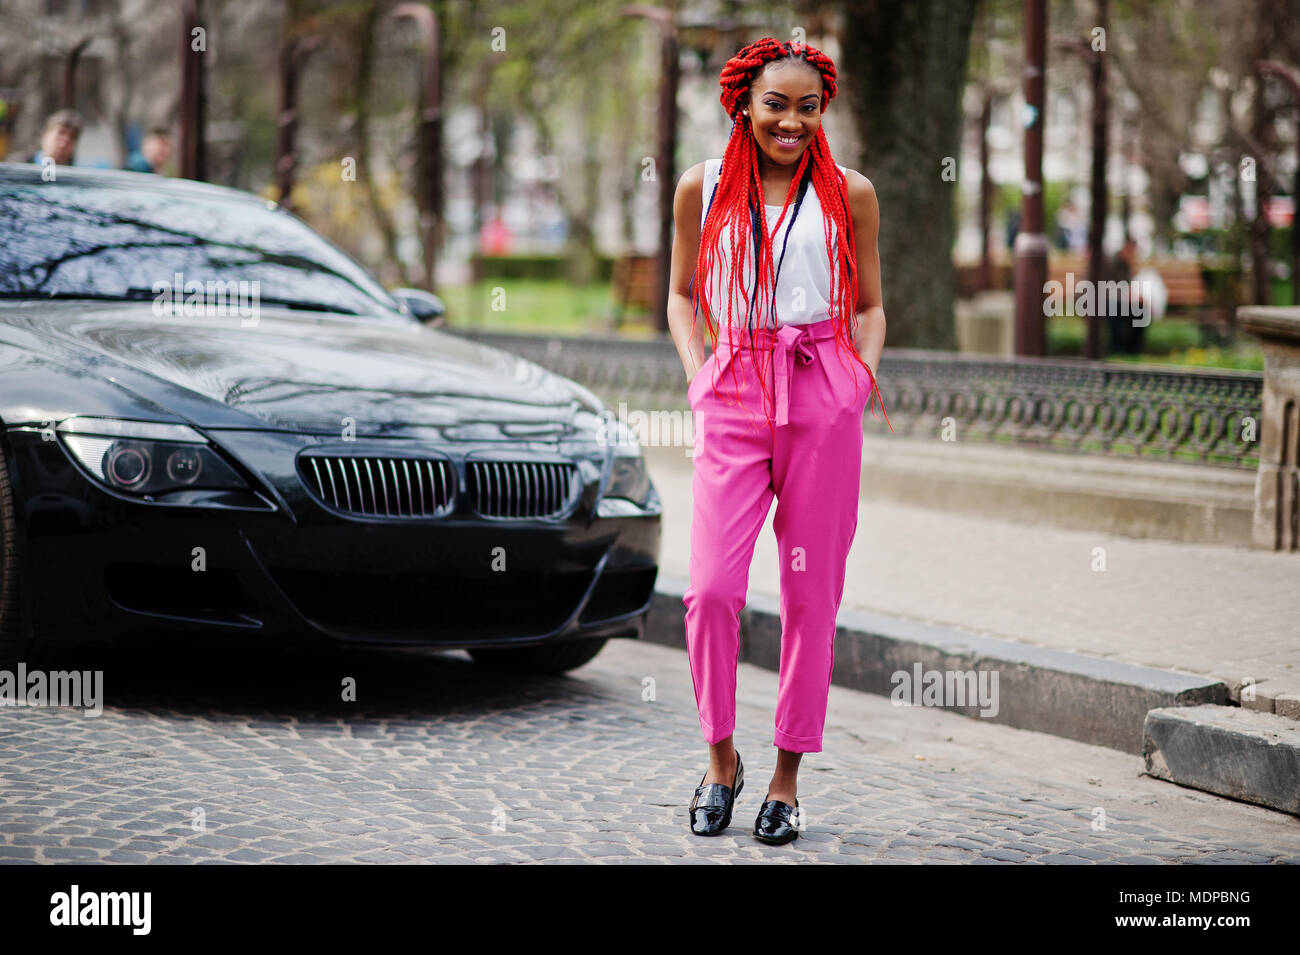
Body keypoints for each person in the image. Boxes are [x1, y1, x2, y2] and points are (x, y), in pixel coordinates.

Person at [667, 37, 892, 845]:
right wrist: (701, 376)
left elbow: (869, 303)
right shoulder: (705, 186)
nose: (792, 122)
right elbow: (682, 296)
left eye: (808, 106)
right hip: (734, 387)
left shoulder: (849, 194)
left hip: (820, 386)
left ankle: (786, 779)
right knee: (711, 590)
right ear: (744, 104)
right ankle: (720, 759)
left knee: (810, 597)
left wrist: (855, 383)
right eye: (776, 105)